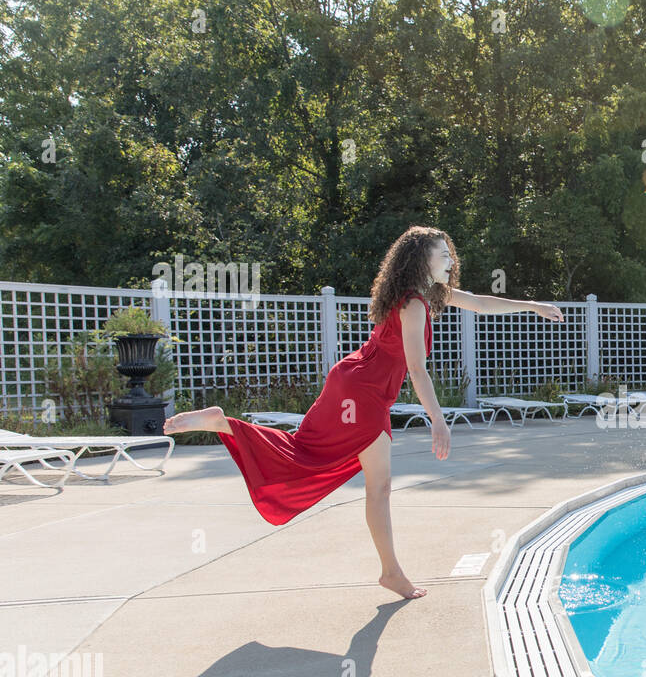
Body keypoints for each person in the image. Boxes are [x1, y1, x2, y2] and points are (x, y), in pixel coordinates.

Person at [164, 225, 563, 599]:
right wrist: (438, 420)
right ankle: (390, 571)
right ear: (422, 260)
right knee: (374, 483)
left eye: (450, 256)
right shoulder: (413, 305)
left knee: (310, 453)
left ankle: (227, 426)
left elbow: (478, 302)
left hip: (351, 383)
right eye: (443, 256)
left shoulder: (423, 295)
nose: (450, 262)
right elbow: (417, 368)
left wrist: (532, 305)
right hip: (363, 393)